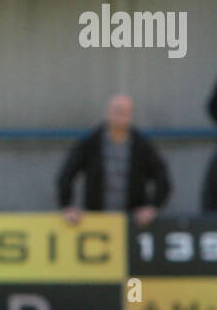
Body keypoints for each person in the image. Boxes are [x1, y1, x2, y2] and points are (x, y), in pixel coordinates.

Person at [55, 94, 170, 226]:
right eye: (117, 111)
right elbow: (67, 173)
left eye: (125, 112)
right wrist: (67, 206)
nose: (121, 116)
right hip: (97, 220)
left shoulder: (142, 146)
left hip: (132, 223)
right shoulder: (92, 142)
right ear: (108, 113)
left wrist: (152, 207)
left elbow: (162, 176)